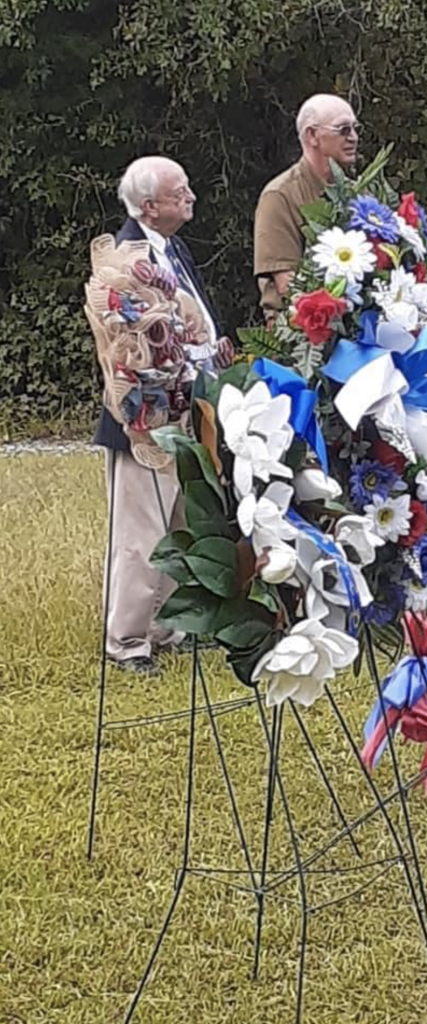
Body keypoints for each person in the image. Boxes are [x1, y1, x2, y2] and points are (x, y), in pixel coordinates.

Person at [93, 155, 232, 675]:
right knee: (140, 531)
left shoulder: (170, 249)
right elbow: (131, 345)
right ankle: (126, 641)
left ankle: (168, 626)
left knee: (181, 521)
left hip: (185, 406)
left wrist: (208, 351)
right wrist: (193, 355)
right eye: (181, 190)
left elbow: (186, 324)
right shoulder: (124, 260)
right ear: (150, 206)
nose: (191, 195)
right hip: (144, 418)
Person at [253, 93, 360, 324]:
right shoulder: (280, 196)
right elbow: (288, 286)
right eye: (343, 129)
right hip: (302, 333)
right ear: (312, 135)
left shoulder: (361, 194)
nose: (353, 137)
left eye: (354, 128)